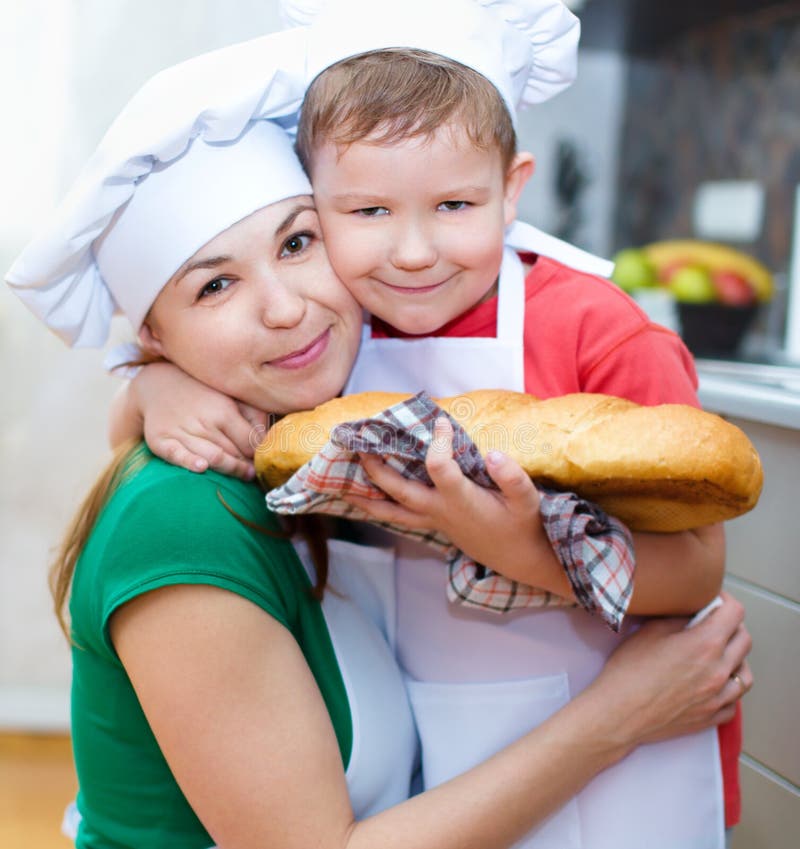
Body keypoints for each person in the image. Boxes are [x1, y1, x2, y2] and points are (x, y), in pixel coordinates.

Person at [5, 76, 754, 849]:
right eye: (215, 285)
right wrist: (622, 713)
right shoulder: (178, 523)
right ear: (152, 337)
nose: (286, 307)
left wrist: (147, 391)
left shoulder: (320, 428)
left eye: (298, 244)